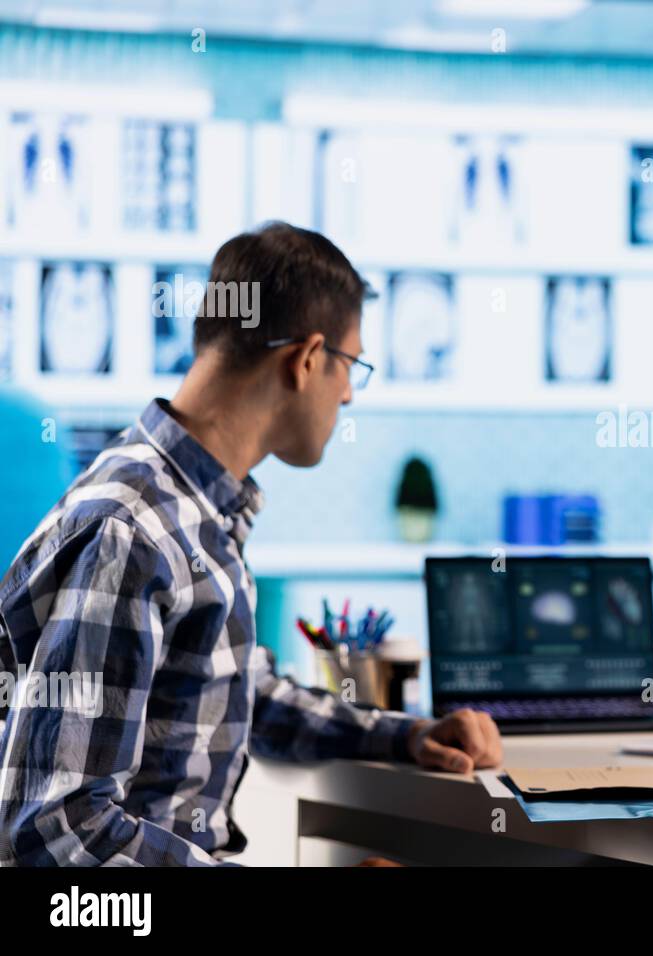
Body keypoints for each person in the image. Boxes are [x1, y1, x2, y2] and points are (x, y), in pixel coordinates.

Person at [0, 222, 502, 866]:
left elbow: (237, 686)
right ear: (308, 359)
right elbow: (57, 831)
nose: (348, 392)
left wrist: (407, 738)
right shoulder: (133, 528)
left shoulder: (194, 509)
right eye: (351, 367)